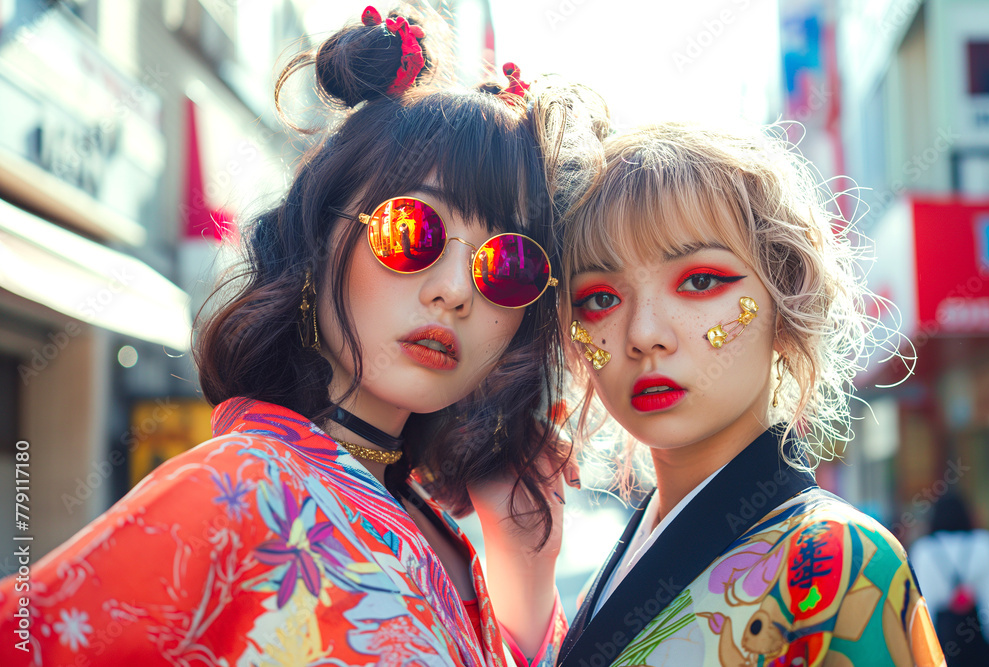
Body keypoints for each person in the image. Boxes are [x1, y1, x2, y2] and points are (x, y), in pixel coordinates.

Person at [0, 7, 601, 665]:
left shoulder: (427, 519)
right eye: (413, 232)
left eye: (507, 264)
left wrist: (523, 565)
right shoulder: (242, 488)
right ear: (319, 244)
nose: (456, 289)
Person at [555, 121, 945, 666]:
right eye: (599, 297)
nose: (644, 334)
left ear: (786, 297)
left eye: (700, 281)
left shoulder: (837, 559)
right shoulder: (617, 564)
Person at [910, 490, 989, 665]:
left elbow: (922, 602)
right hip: (978, 635)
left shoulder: (923, 550)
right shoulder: (985, 544)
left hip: (942, 636)